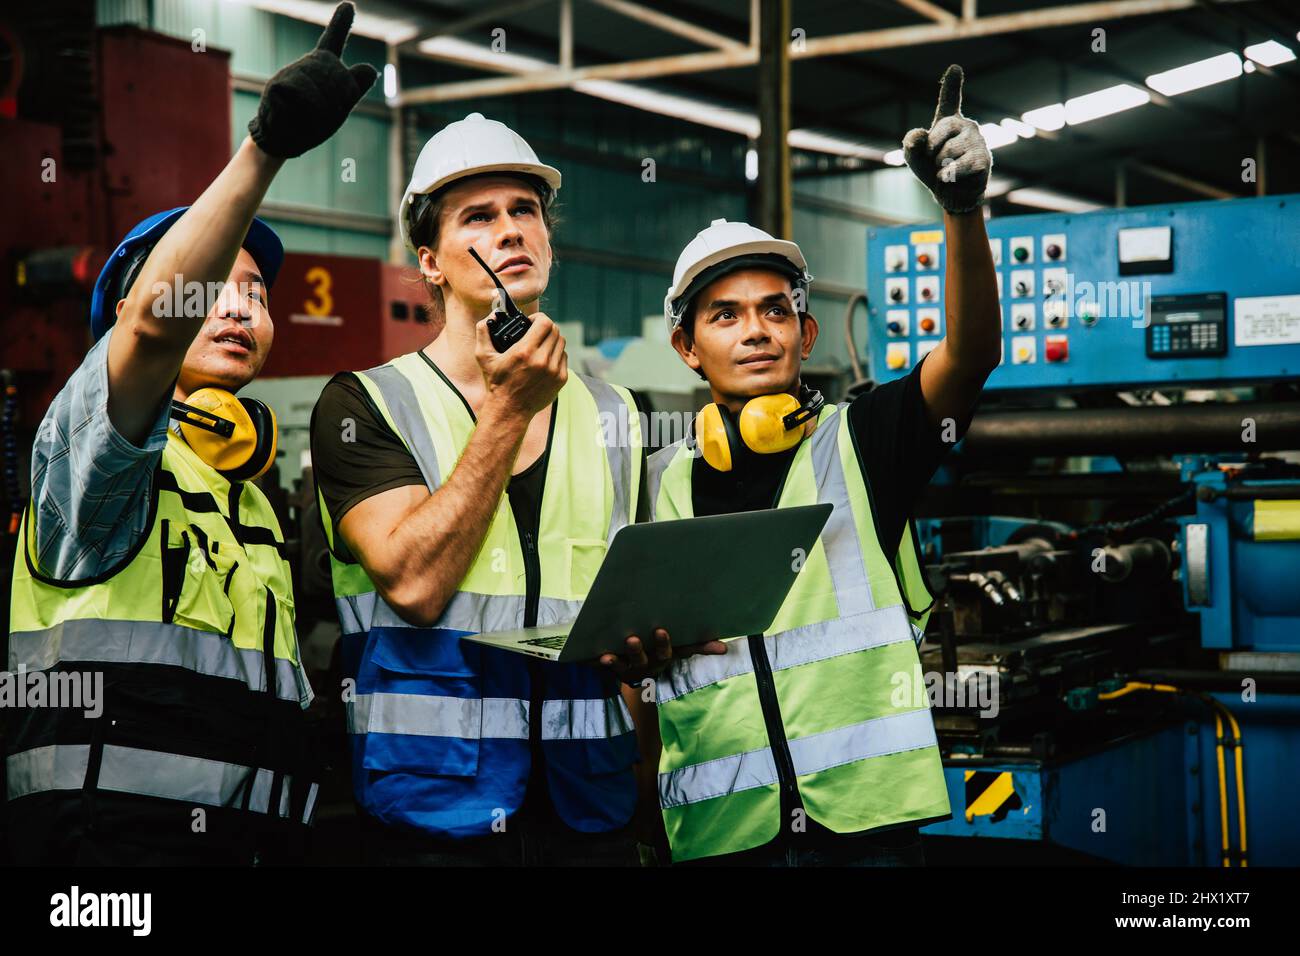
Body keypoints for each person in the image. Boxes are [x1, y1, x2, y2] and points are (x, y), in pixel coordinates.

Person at [5, 2, 376, 864]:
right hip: (107, 859)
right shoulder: (93, 461)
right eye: (217, 279)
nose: (242, 304)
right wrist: (267, 149)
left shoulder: (243, 501)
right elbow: (148, 336)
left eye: (258, 291)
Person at [629, 65, 1001, 866]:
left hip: (866, 828)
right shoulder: (657, 484)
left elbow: (969, 357)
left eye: (775, 310)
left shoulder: (865, 440)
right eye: (724, 315)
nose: (755, 330)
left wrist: (961, 213)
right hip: (721, 837)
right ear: (688, 348)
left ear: (809, 336)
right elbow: (644, 680)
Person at [310, 112, 656, 865]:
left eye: (525, 211)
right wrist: (506, 410)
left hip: (589, 801)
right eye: (480, 217)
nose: (511, 232)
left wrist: (645, 652)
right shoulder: (366, 404)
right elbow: (416, 585)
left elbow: (628, 598)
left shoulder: (616, 412)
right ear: (430, 261)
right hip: (437, 805)